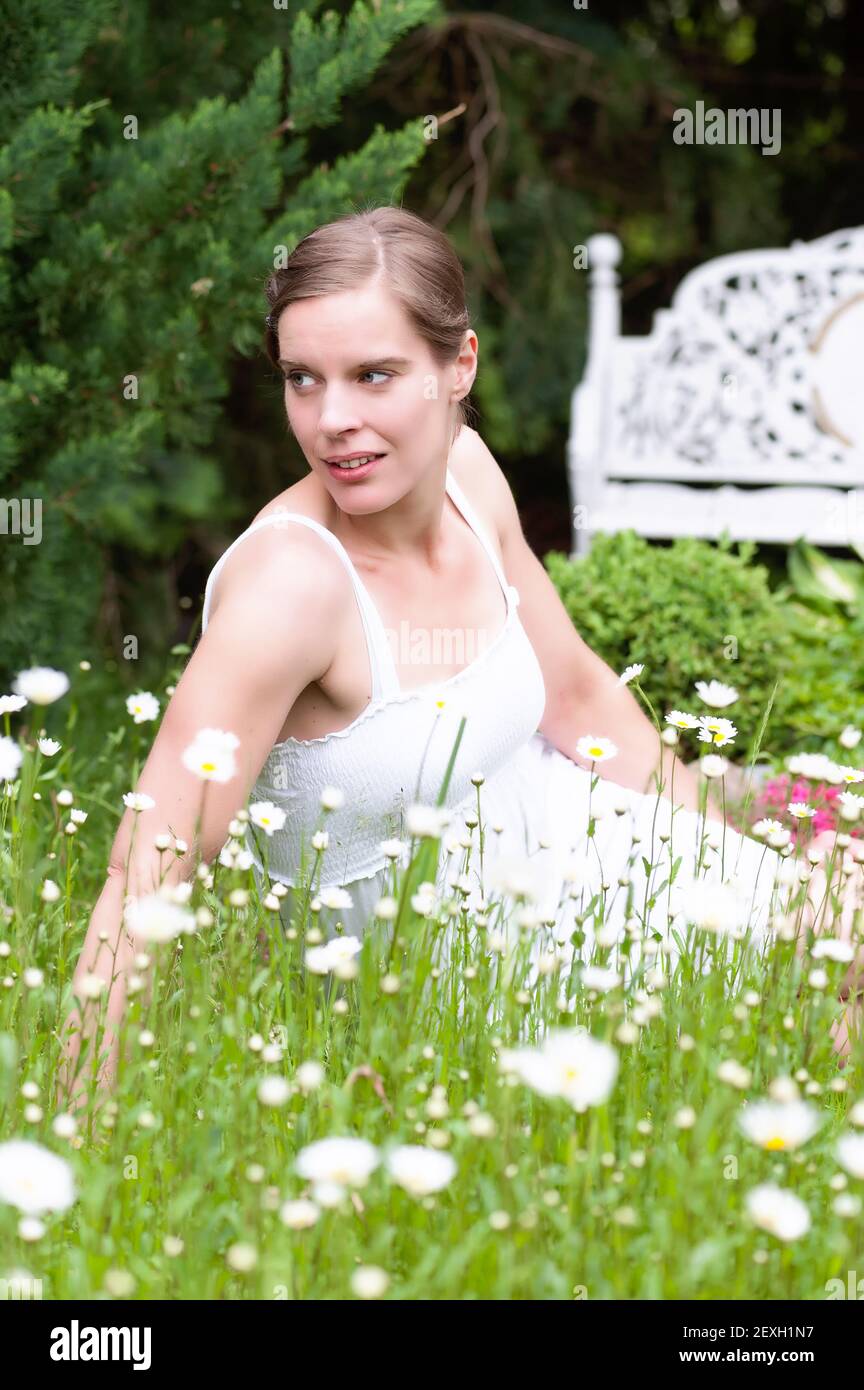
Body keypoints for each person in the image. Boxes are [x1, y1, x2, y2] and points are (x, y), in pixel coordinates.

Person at [59, 207, 863, 1101]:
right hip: (469, 982)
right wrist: (79, 1117)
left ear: (459, 367)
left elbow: (578, 694)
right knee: (809, 1006)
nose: (332, 420)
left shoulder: (469, 476)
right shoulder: (293, 585)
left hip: (579, 859)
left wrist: (724, 857)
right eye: (302, 379)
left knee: (844, 923)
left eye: (373, 375)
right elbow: (151, 862)